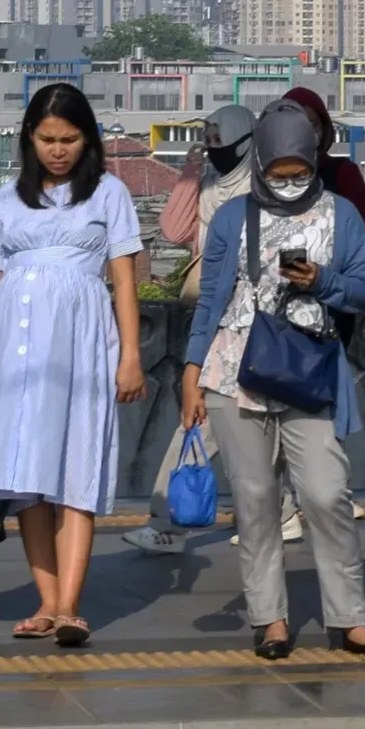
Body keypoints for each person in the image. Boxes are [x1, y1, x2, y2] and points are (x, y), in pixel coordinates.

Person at [181, 100, 365, 661]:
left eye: (299, 172)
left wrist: (322, 281)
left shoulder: (341, 215)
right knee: (255, 500)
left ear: (313, 161)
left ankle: (350, 619)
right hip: (235, 371)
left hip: (310, 370)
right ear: (259, 164)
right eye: (277, 174)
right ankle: (270, 619)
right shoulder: (232, 216)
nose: (288, 183)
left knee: (327, 494)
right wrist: (191, 371)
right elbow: (210, 300)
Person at [0, 83, 147, 647]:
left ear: (87, 140)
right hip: (17, 346)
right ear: (29, 139)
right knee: (27, 470)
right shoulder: (7, 199)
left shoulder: (109, 193)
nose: (58, 150)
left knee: (77, 463)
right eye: (47, 139)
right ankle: (45, 600)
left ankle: (69, 605)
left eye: (69, 139)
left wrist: (131, 355)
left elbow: (124, 281)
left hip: (83, 341)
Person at [128, 105, 302, 555]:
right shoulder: (209, 186)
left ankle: (168, 521)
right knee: (244, 421)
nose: (214, 151)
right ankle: (280, 513)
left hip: (249, 325)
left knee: (203, 418)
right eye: (209, 143)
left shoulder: (261, 192)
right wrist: (191, 173)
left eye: (220, 143)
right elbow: (172, 229)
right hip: (214, 318)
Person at [282, 86, 365, 223]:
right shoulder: (266, 174)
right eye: (296, 124)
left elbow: (354, 220)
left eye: (312, 123)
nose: (305, 131)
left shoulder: (344, 172)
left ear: (323, 127)